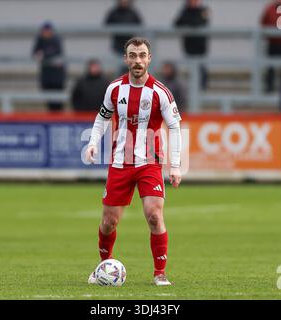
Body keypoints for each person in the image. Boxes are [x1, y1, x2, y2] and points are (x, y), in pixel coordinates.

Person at [85, 37, 182, 286]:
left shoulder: (160, 92)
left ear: (149, 59)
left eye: (142, 55)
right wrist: (93, 142)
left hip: (150, 162)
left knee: (154, 215)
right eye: (132, 55)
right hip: (120, 163)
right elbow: (101, 118)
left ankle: (160, 273)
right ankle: (102, 268)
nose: (137, 60)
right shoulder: (115, 89)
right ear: (125, 58)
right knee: (109, 222)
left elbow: (175, 127)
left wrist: (176, 165)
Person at [174, 0, 210, 90]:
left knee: (201, 69)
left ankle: (202, 90)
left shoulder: (204, 10)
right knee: (190, 70)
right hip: (189, 46)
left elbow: (201, 22)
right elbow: (177, 23)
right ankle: (191, 91)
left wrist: (189, 22)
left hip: (200, 47)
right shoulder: (185, 11)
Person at [32, 22, 66, 112]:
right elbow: (34, 53)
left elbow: (56, 53)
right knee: (49, 102)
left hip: (57, 77)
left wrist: (44, 54)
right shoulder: (40, 40)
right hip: (46, 77)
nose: (45, 33)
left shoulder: (56, 40)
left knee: (58, 103)